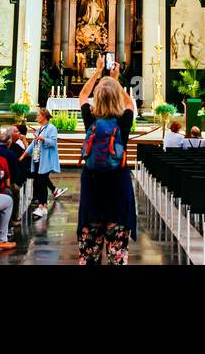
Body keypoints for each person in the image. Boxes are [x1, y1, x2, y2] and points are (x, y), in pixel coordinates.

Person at [76, 57, 137, 265]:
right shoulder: (124, 121)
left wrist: (98, 73)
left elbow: (83, 94)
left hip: (92, 189)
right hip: (118, 189)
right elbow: (129, 103)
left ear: (98, 98)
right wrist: (115, 80)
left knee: (89, 255)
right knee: (117, 256)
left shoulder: (90, 119)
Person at [22, 107, 63, 219]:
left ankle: (42, 206)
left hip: (46, 160)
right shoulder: (40, 128)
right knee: (40, 181)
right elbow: (33, 144)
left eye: (38, 115)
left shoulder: (51, 128)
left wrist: (43, 139)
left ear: (44, 116)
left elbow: (53, 143)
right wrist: (24, 154)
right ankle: (43, 205)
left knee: (41, 182)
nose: (37, 117)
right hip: (37, 158)